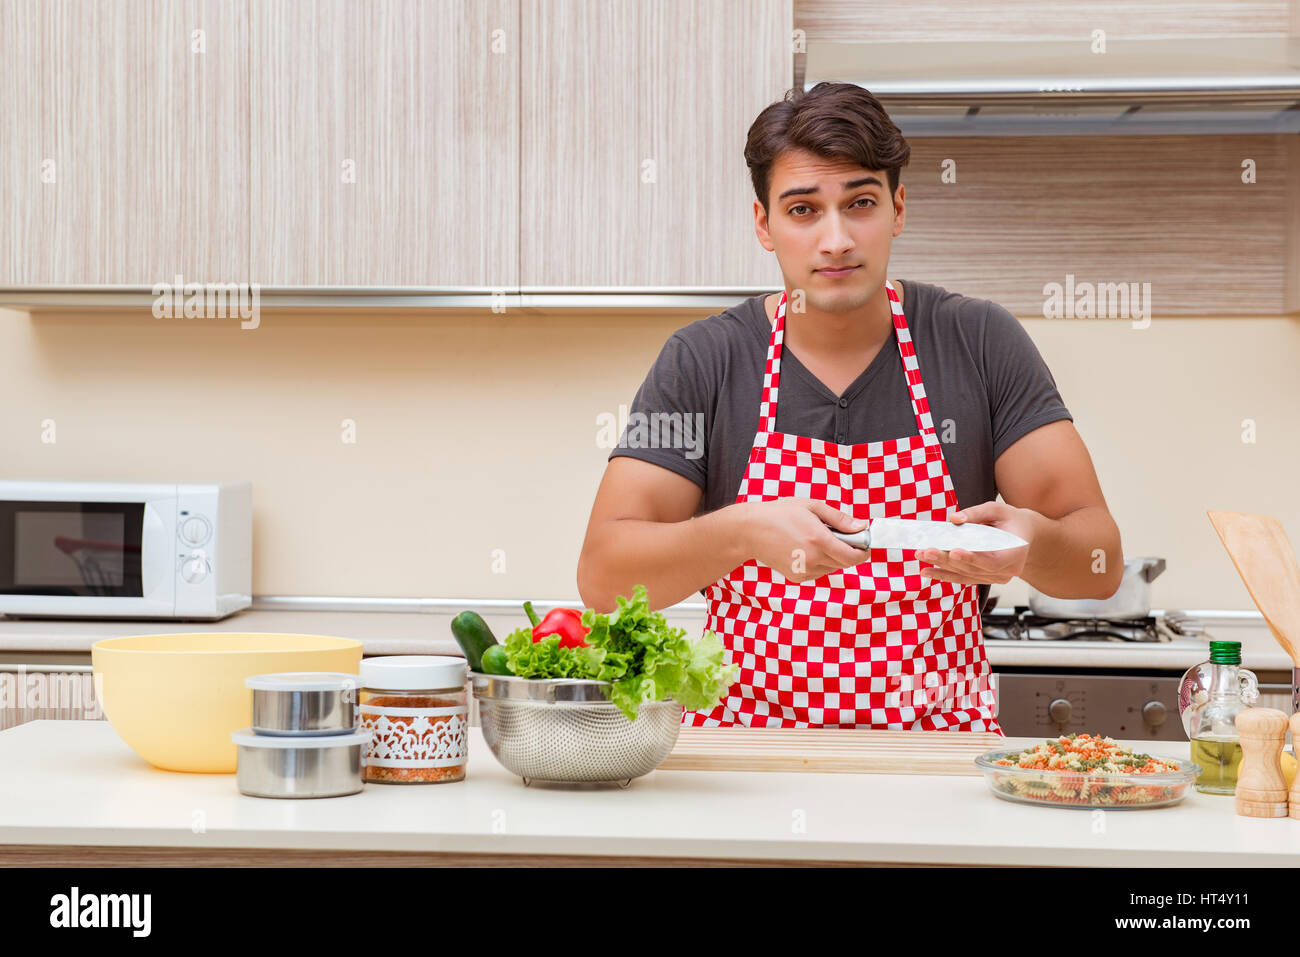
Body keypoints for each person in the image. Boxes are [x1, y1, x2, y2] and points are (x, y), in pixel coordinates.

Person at [576, 82, 1123, 732]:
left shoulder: (978, 342)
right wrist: (742, 530)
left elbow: (1101, 562)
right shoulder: (705, 360)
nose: (835, 239)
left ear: (896, 207)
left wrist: (1030, 545)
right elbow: (602, 578)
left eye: (859, 203)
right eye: (804, 209)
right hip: (745, 764)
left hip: (935, 762)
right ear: (764, 225)